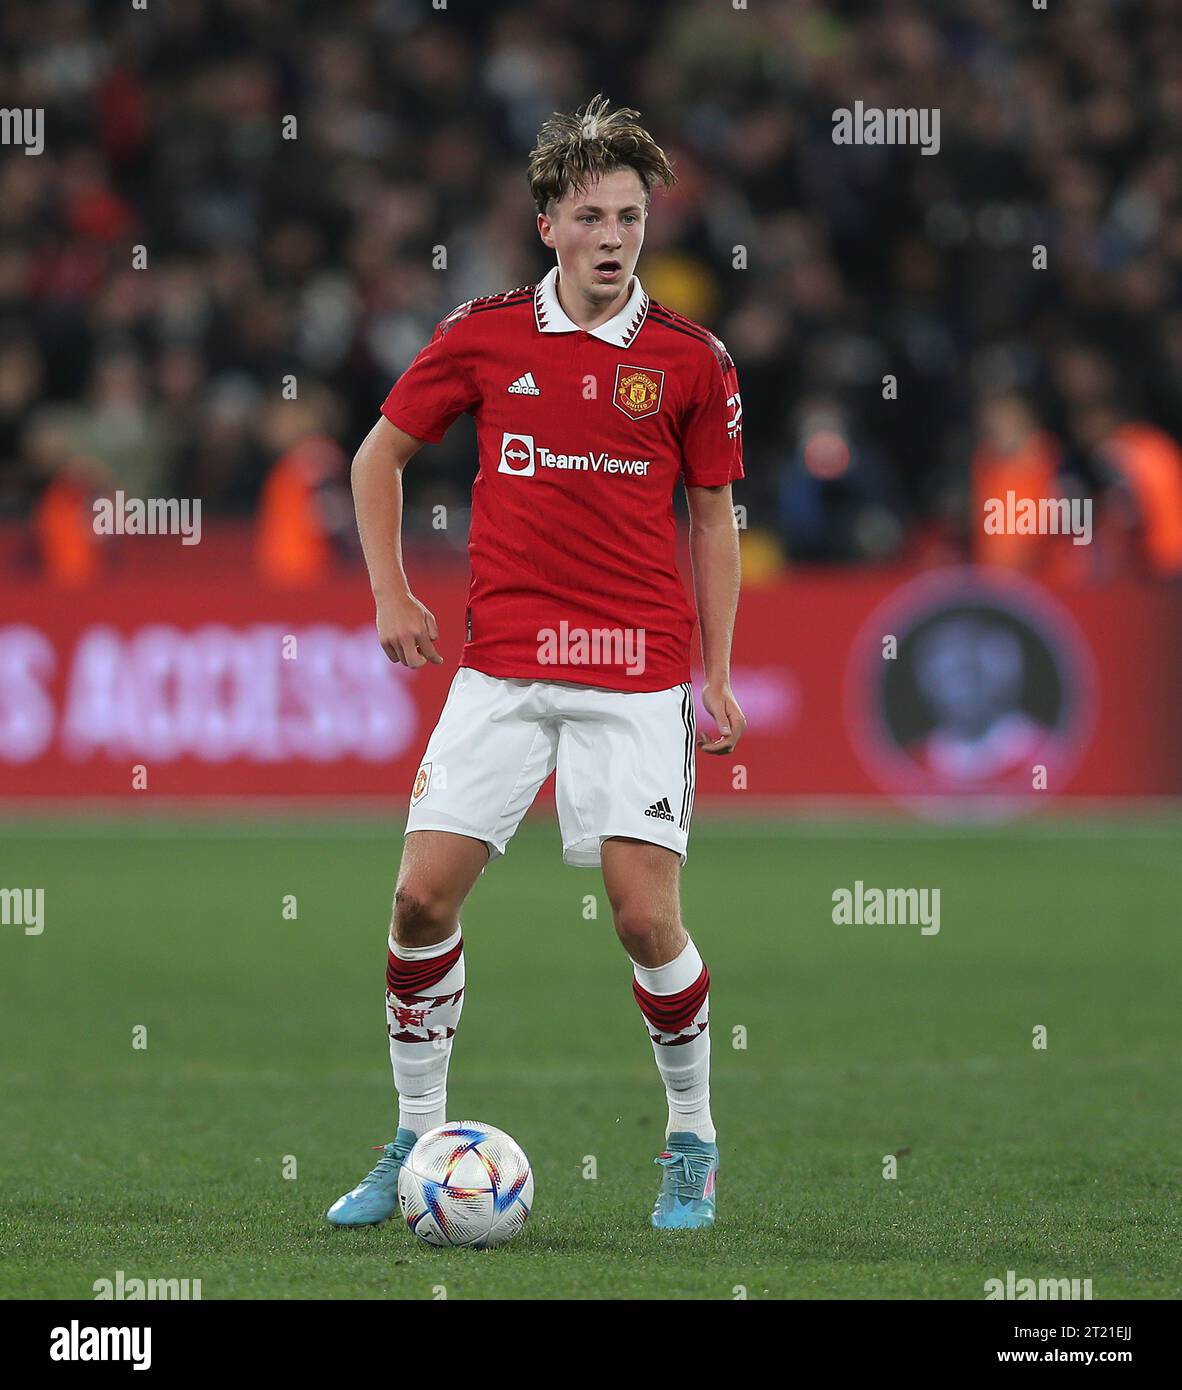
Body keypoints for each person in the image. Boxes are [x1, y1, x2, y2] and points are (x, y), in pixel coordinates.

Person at [330, 95, 745, 1232]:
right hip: (504, 668)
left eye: (632, 216)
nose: (616, 237)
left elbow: (712, 519)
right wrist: (393, 592)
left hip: (635, 675)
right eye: (594, 217)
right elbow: (377, 458)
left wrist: (715, 673)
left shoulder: (691, 361)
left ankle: (692, 1141)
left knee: (643, 919)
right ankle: (413, 1139)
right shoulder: (484, 332)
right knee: (418, 898)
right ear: (550, 224)